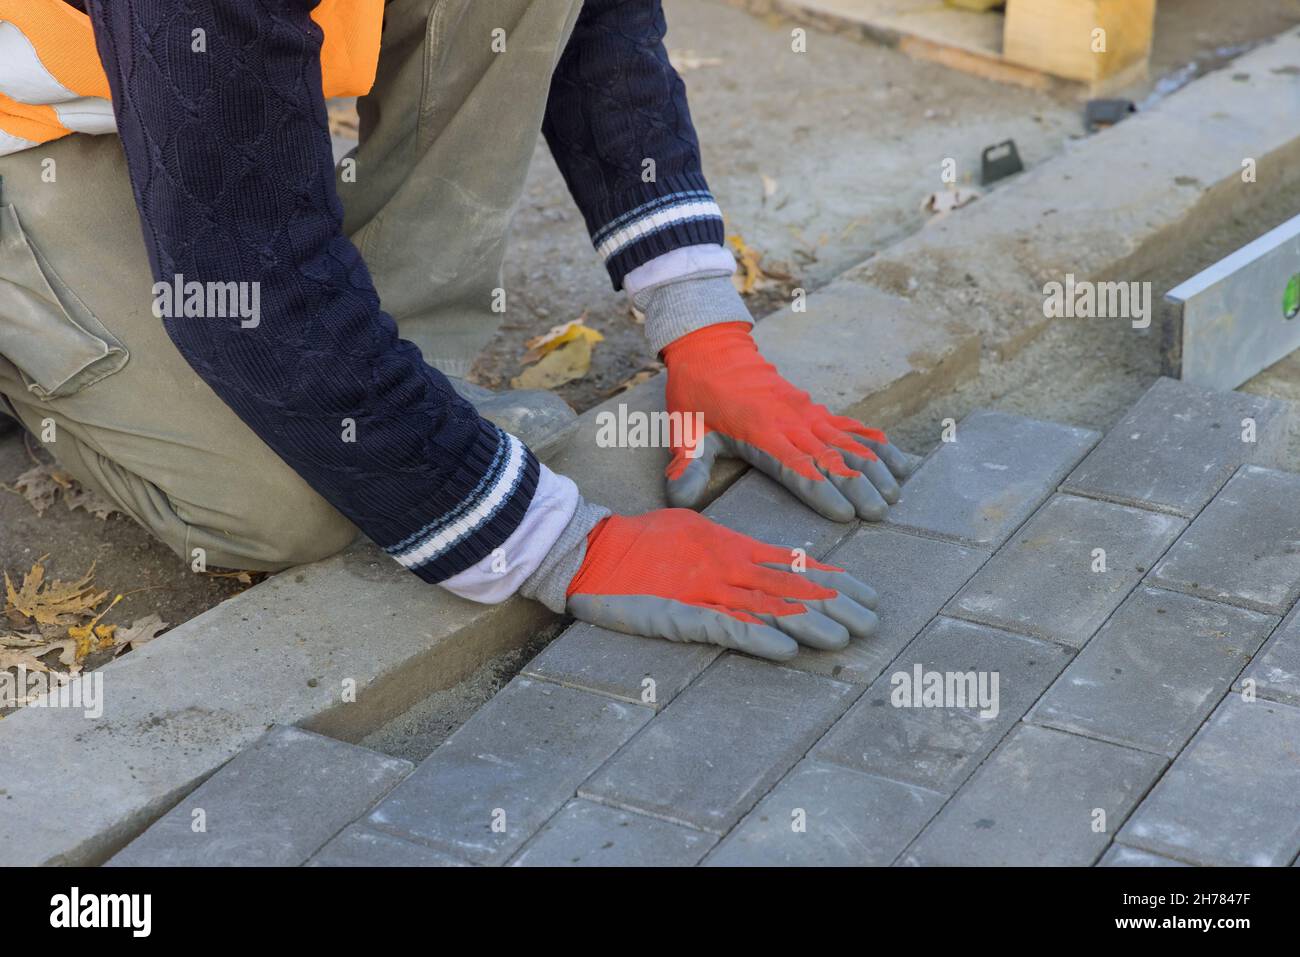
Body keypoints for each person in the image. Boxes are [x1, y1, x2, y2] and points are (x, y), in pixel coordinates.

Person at [0, 0, 912, 662]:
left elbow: (596, 20)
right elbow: (241, 284)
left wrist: (702, 323)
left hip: (201, 87)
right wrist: (566, 545)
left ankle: (397, 404)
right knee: (289, 506)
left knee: (366, 450)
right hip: (34, 135)